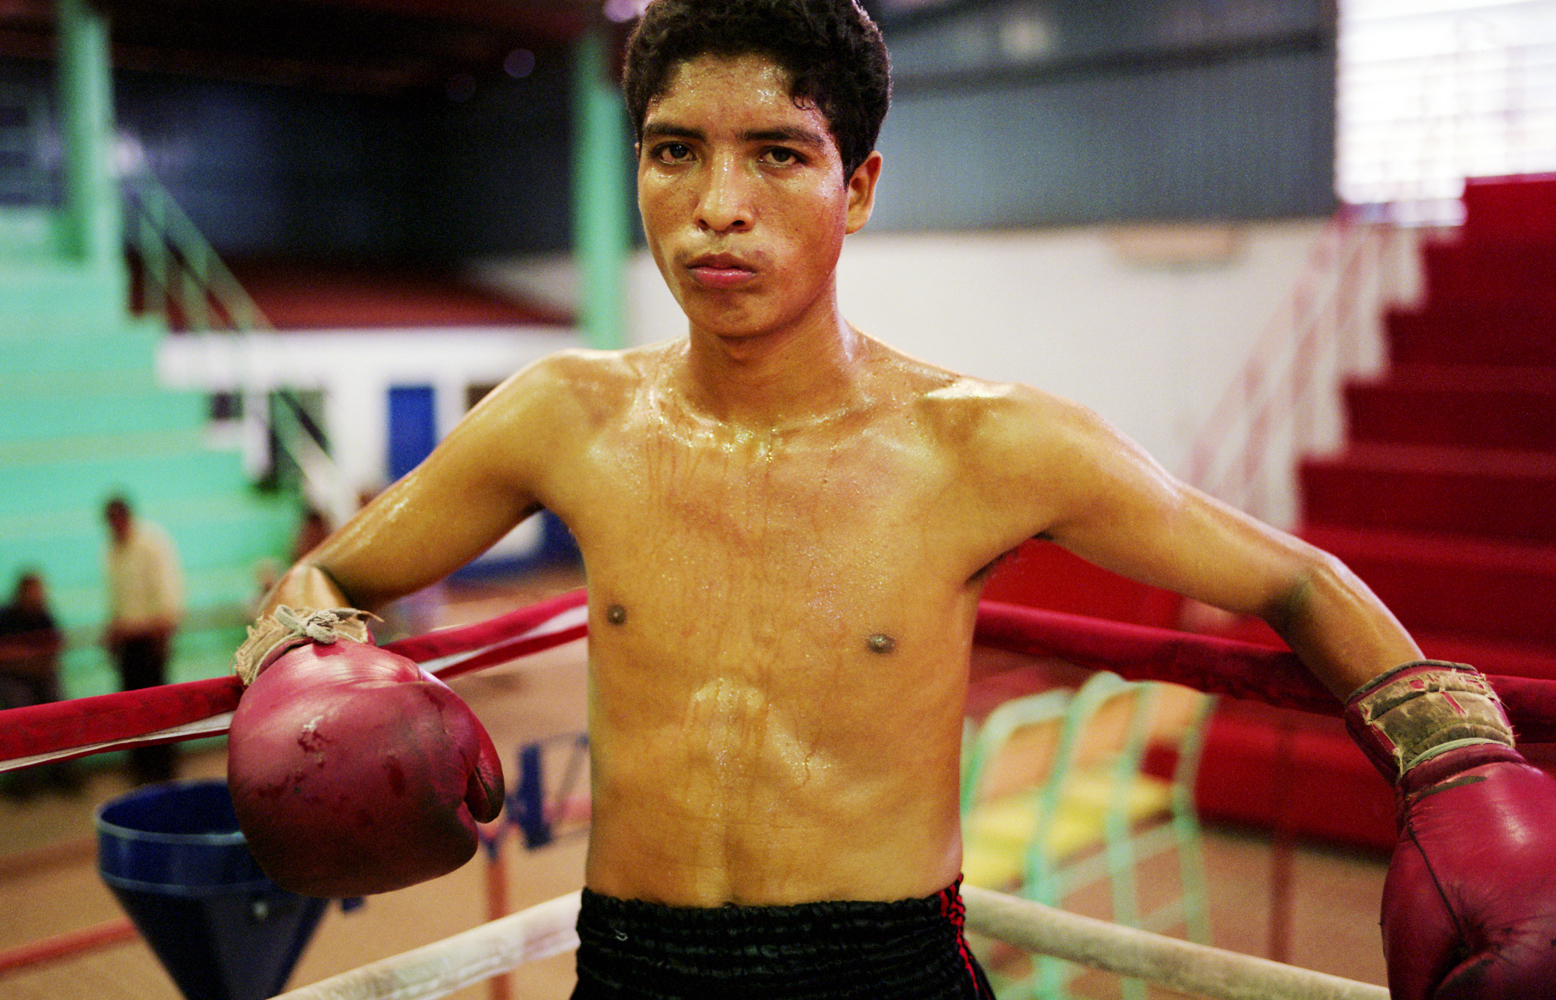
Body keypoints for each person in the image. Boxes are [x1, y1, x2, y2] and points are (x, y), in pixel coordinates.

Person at [233, 2, 1556, 998]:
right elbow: (329, 578)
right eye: (675, 151)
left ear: (858, 186)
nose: (717, 210)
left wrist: (1458, 766)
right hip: (633, 965)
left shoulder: (987, 445)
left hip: (883, 968)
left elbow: (1292, 580)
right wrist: (307, 670)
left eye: (778, 157)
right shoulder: (562, 415)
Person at [104, 495, 185, 785]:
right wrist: (112, 629)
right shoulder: (112, 550)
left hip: (152, 637)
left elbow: (167, 588)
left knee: (157, 705)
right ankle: (142, 767)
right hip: (128, 639)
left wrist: (164, 630)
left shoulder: (152, 542)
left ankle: (163, 769)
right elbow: (117, 599)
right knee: (130, 706)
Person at [0, 571, 78, 796]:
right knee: (20, 712)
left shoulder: (45, 615)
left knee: (60, 711)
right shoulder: (6, 616)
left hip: (40, 678)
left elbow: (55, 647)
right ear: (21, 592)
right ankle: (25, 780)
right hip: (13, 680)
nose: (38, 595)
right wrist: (30, 658)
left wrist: (26, 656)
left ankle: (64, 773)